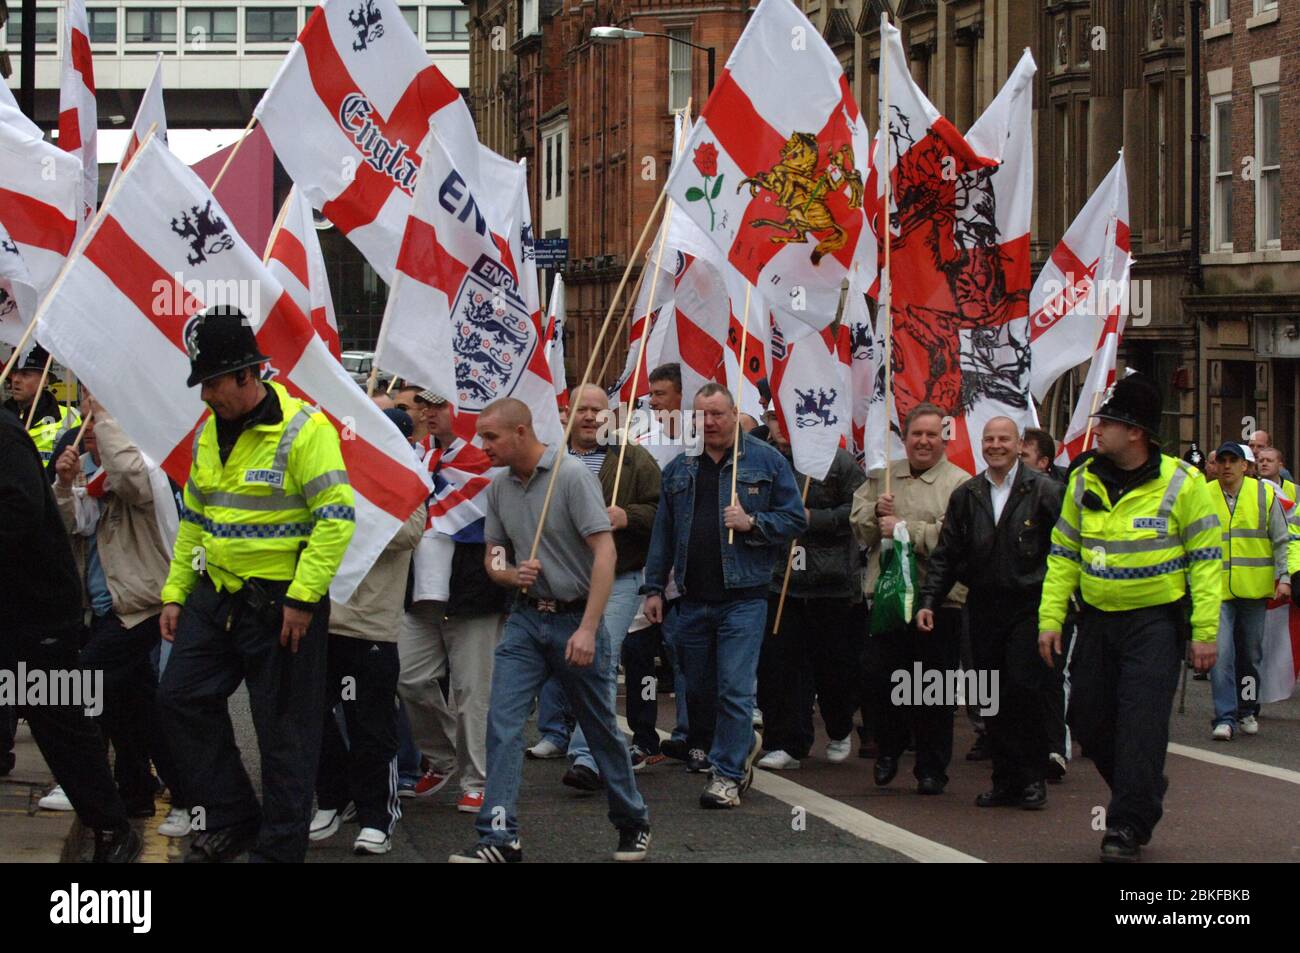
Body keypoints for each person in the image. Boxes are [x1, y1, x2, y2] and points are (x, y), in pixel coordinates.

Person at [157, 306, 356, 863]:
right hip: (213, 595)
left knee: (284, 734)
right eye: (202, 384)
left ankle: (279, 848)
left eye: (214, 383)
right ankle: (231, 814)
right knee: (179, 698)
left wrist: (302, 597)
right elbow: (194, 521)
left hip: (280, 606)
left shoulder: (304, 429)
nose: (206, 396)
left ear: (249, 374)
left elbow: (335, 519)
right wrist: (175, 593)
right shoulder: (206, 434)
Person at [450, 398, 650, 862]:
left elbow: (606, 554)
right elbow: (494, 553)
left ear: (521, 431)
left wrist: (588, 627)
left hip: (574, 619)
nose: (483, 447)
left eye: (491, 437)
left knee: (599, 728)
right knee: (501, 725)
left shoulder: (572, 477)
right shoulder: (498, 487)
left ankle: (632, 820)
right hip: (524, 620)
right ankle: (499, 838)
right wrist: (507, 574)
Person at [1039, 374, 1222, 862]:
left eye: (1108, 422)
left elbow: (1207, 562)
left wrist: (1205, 633)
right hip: (1097, 619)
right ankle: (1141, 787)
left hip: (1155, 624)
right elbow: (1063, 555)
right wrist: (1050, 618)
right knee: (1087, 719)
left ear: (1135, 431)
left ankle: (1125, 827)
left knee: (1141, 726)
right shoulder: (1082, 478)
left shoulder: (1184, 484)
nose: (1098, 430)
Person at [642, 383, 806, 807]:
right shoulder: (680, 468)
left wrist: (753, 523)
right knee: (697, 692)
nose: (709, 422)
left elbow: (794, 517)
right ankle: (733, 749)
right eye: (701, 415)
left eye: (717, 414)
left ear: (734, 414)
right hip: (692, 599)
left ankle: (727, 775)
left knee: (735, 689)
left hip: (743, 598)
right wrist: (654, 587)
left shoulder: (766, 461)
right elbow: (663, 531)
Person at [0, 403, 139, 862]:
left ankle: (112, 828)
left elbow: (19, 508)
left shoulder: (5, 434)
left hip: (34, 607)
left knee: (58, 721)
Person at [52, 395, 186, 835]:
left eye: (101, 427)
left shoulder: (142, 469)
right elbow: (73, 524)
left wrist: (108, 418)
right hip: (108, 611)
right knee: (135, 710)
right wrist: (64, 483)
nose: (91, 430)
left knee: (76, 687)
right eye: (89, 425)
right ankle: (150, 795)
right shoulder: (97, 481)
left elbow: (129, 477)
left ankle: (79, 783)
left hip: (139, 607)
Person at [917, 417, 1064, 809]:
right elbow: (947, 554)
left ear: (1019, 445)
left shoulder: (1045, 490)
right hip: (982, 605)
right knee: (991, 695)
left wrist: (1064, 606)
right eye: (989, 439)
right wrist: (929, 600)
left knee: (1022, 686)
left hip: (1029, 604)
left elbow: (1066, 549)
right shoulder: (967, 495)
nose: (995, 445)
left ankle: (1032, 778)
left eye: (1004, 439)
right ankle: (1004, 780)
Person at [533, 384, 661, 789]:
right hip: (561, 582)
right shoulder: (550, 460)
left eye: (598, 411)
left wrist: (628, 515)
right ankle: (572, 738)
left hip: (619, 577)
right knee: (565, 662)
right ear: (567, 413)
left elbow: (663, 511)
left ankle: (586, 757)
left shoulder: (633, 459)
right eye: (582, 410)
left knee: (601, 661)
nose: (590, 417)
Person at [398, 390, 508, 814]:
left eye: (438, 405)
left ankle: (478, 779)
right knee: (408, 678)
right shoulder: (415, 459)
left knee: (471, 693)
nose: (428, 413)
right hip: (421, 593)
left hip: (471, 596)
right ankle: (446, 756)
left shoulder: (489, 467)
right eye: (423, 405)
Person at [850, 403, 969, 795]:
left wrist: (907, 529)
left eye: (931, 434)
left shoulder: (960, 484)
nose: (923, 441)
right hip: (887, 599)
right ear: (904, 437)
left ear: (943, 438)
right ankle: (888, 748)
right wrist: (874, 515)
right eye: (916, 434)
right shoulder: (883, 478)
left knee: (931, 688)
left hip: (938, 602)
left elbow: (954, 541)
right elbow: (860, 529)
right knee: (877, 677)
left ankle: (932, 768)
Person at [310, 494, 424, 854]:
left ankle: (377, 818)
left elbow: (409, 532)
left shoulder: (392, 465)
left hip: (369, 622)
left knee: (371, 724)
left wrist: (347, 511)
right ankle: (330, 799)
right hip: (318, 616)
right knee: (312, 718)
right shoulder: (320, 461)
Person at [755, 410, 865, 769]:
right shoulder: (766, 461)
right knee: (780, 665)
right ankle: (786, 742)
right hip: (781, 580)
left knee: (833, 667)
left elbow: (857, 511)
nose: (779, 427)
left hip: (830, 584)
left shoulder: (840, 462)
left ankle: (838, 726)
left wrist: (813, 519)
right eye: (774, 418)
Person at [621, 362, 692, 764]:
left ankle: (688, 735)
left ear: (682, 395)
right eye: (650, 394)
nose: (652, 400)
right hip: (646, 566)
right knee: (639, 657)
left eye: (661, 393)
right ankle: (643, 736)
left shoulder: (700, 444)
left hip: (686, 573)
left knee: (685, 658)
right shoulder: (637, 443)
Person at [1204, 442, 1290, 741]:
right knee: (1222, 653)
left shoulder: (1264, 494)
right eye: (1222, 460)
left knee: (1250, 655)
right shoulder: (1203, 496)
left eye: (1233, 460)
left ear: (1245, 466)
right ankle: (1225, 716)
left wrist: (1285, 576)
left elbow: (1282, 539)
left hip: (1253, 589)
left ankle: (1248, 708)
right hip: (1215, 590)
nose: (1226, 466)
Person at [3, 345, 81, 468]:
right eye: (14, 373)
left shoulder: (70, 418)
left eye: (25, 374)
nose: (16, 380)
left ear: (45, 380)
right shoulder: (4, 417)